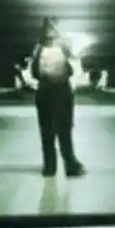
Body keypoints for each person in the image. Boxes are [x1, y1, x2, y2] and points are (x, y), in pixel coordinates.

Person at [27, 17, 86, 177]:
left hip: (47, 90)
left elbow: (35, 72)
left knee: (49, 131)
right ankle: (69, 166)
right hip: (60, 90)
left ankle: (50, 167)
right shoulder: (60, 47)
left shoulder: (41, 48)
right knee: (63, 130)